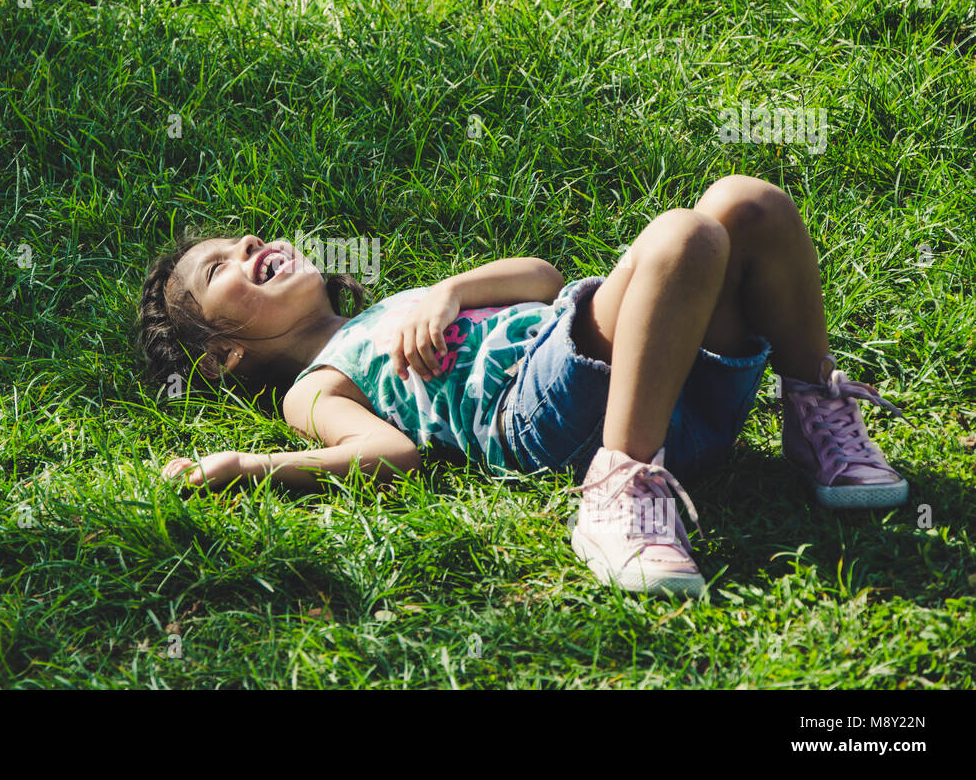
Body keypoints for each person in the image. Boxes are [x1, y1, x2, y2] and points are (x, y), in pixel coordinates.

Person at [138, 176, 907, 596]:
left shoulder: (395, 307)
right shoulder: (314, 384)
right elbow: (390, 452)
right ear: (222, 357)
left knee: (750, 204)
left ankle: (815, 421)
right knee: (688, 233)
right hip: (544, 413)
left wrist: (448, 289)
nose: (248, 245)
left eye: (242, 239)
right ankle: (620, 486)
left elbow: (542, 280)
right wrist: (249, 466)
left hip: (672, 391)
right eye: (219, 269)